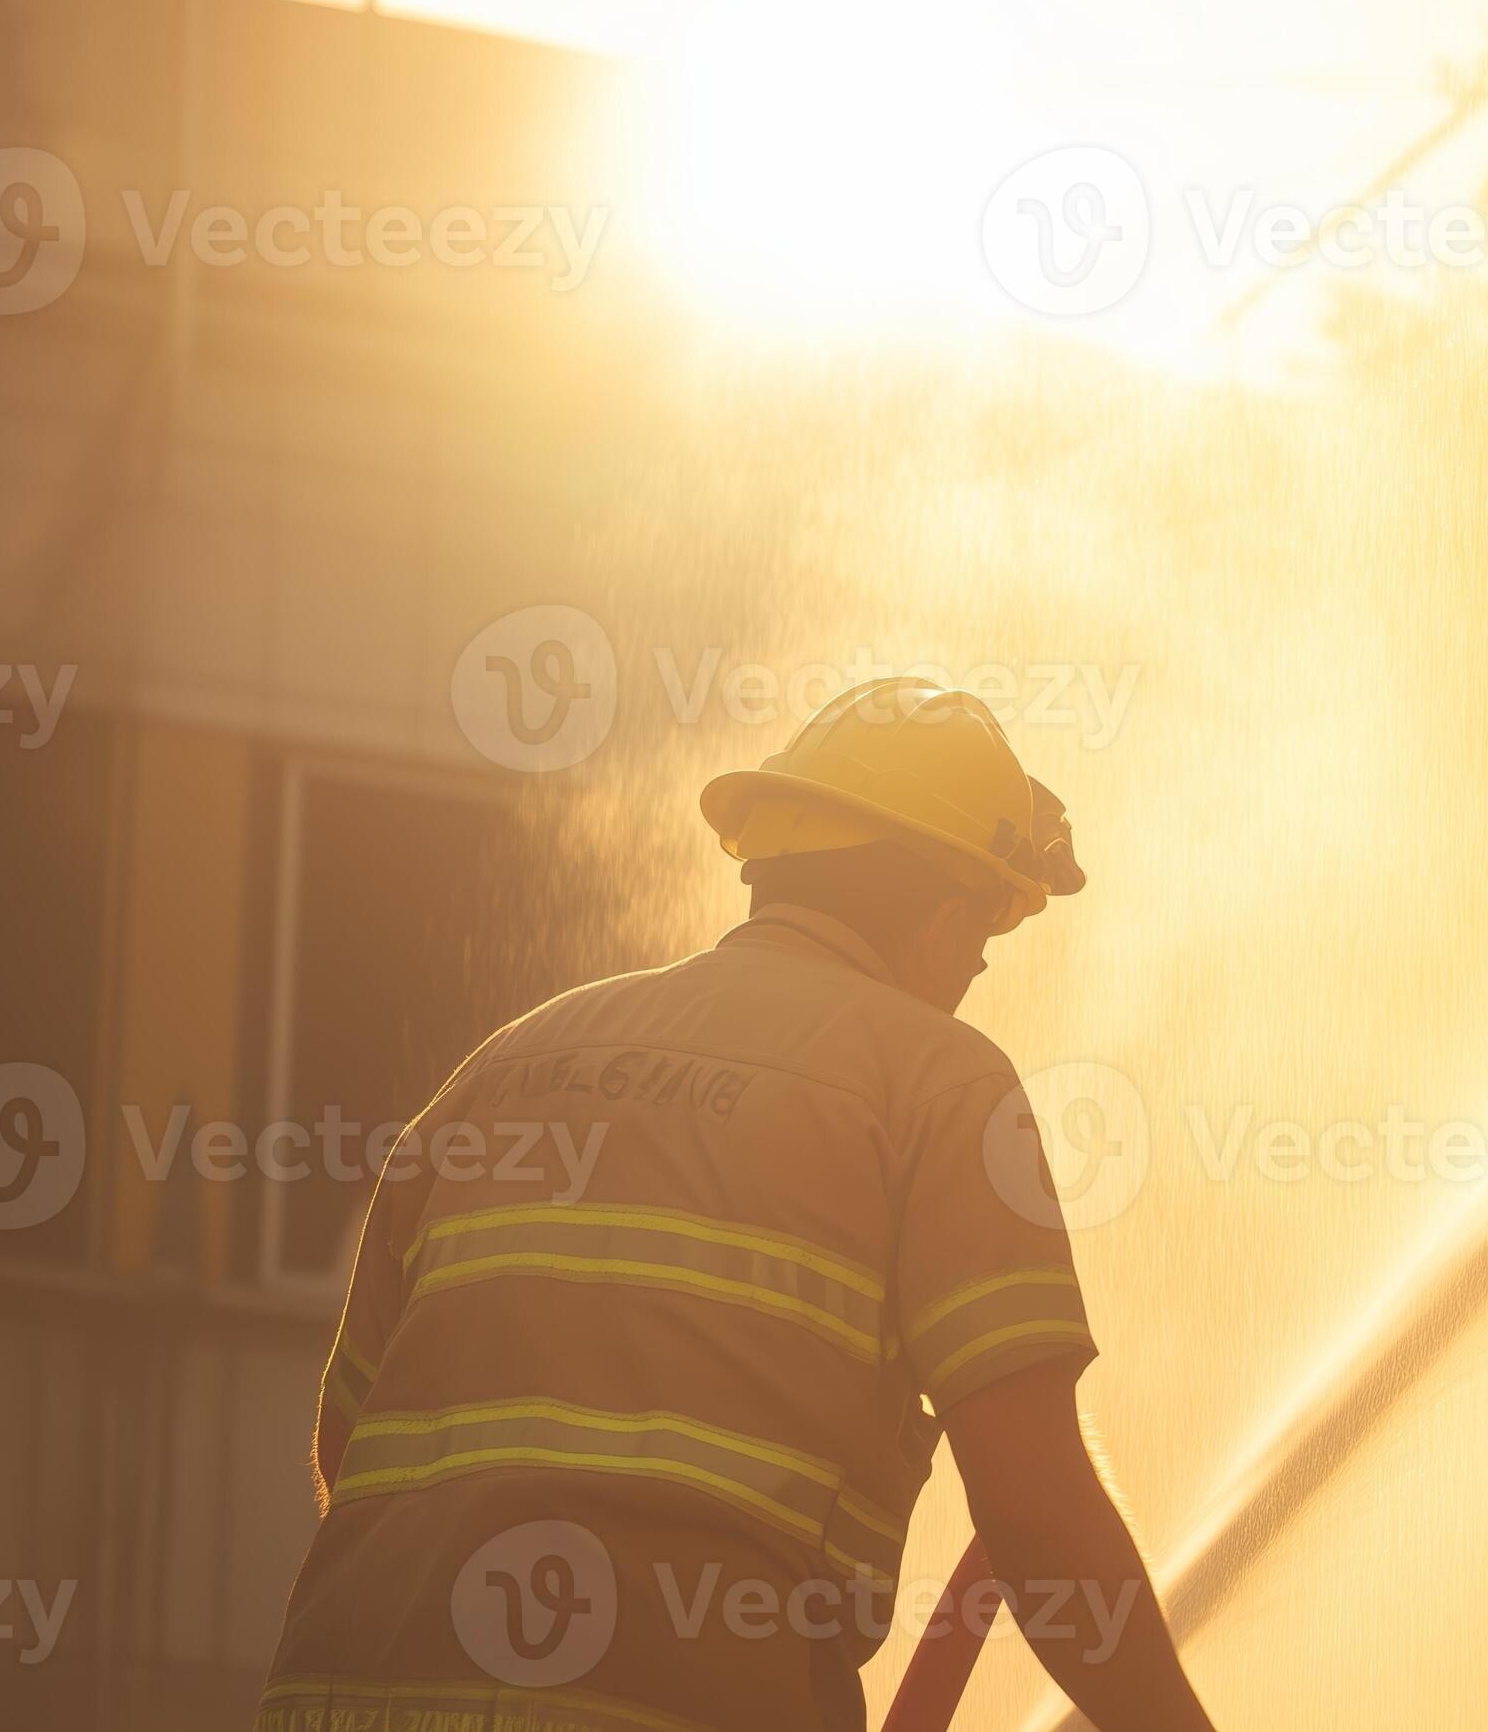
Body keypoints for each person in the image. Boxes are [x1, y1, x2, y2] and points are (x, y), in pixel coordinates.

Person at [256, 677, 1219, 1732]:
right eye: (981, 948)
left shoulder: (503, 1067)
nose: (972, 978)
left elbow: (353, 1446)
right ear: (948, 918)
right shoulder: (938, 1082)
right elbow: (1036, 1516)